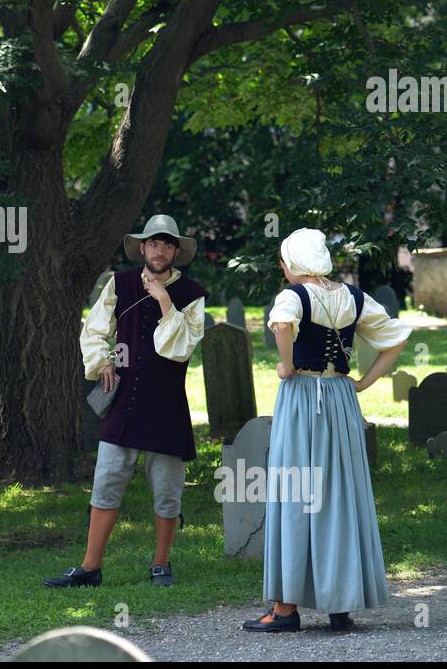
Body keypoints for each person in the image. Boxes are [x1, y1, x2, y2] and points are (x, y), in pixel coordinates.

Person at [243, 228, 410, 632]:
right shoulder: (353, 296)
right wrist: (363, 383)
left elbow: (282, 326)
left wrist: (286, 365)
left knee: (296, 489)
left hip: (302, 398)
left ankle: (285, 610)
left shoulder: (293, 296)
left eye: (284, 261)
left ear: (293, 263)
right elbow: (396, 338)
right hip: (339, 398)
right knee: (338, 493)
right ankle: (341, 604)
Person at [44, 214, 207, 588]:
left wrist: (165, 300)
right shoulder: (120, 284)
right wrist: (101, 361)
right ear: (142, 248)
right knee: (106, 484)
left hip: (166, 405)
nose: (159, 250)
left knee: (167, 492)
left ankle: (161, 563)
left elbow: (181, 348)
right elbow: (95, 328)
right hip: (124, 404)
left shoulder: (192, 295)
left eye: (167, 244)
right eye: (153, 243)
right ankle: (90, 568)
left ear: (175, 251)